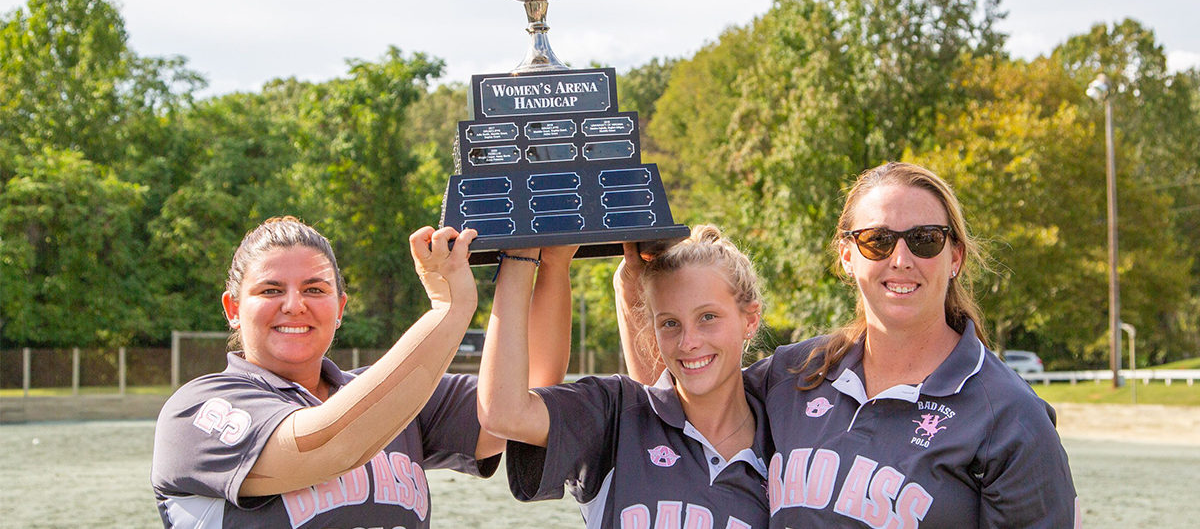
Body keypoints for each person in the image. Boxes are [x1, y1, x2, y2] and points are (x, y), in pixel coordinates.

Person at [619, 162, 1080, 528]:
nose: (901, 259)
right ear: (846, 255)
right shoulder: (795, 373)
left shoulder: (1010, 415)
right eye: (877, 241)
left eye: (925, 240)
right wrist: (632, 284)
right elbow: (681, 399)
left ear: (954, 256)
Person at [151, 216, 568, 528]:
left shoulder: (387, 394)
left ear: (340, 309)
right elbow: (330, 445)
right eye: (270, 290)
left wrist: (538, 261)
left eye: (315, 289)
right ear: (233, 309)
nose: (294, 305)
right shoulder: (194, 412)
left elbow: (523, 397)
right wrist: (448, 310)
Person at [477, 228, 771, 528]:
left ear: (750, 319)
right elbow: (504, 413)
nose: (688, 342)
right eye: (670, 323)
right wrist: (520, 255)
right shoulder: (617, 414)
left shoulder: (783, 441)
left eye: (708, 317)